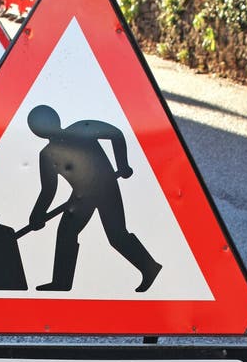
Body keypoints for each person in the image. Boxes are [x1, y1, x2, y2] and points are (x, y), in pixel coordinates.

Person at [27, 105, 162, 292]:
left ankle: (150, 267)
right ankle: (61, 282)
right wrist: (37, 215)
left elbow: (115, 134)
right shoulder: (49, 153)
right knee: (66, 233)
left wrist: (122, 164)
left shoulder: (82, 128)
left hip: (105, 186)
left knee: (116, 234)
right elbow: (49, 190)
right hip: (82, 196)